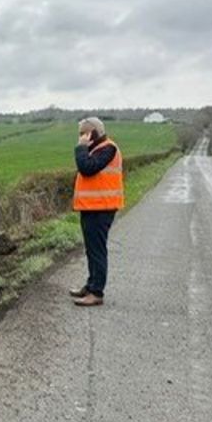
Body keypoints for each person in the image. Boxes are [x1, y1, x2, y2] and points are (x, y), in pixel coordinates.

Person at [69, 117, 124, 306]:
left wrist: (81, 148)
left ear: (92, 133)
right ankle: (91, 285)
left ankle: (96, 293)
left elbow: (87, 168)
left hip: (102, 207)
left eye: (83, 133)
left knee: (97, 250)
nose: (81, 137)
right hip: (92, 207)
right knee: (91, 250)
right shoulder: (97, 149)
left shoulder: (108, 148)